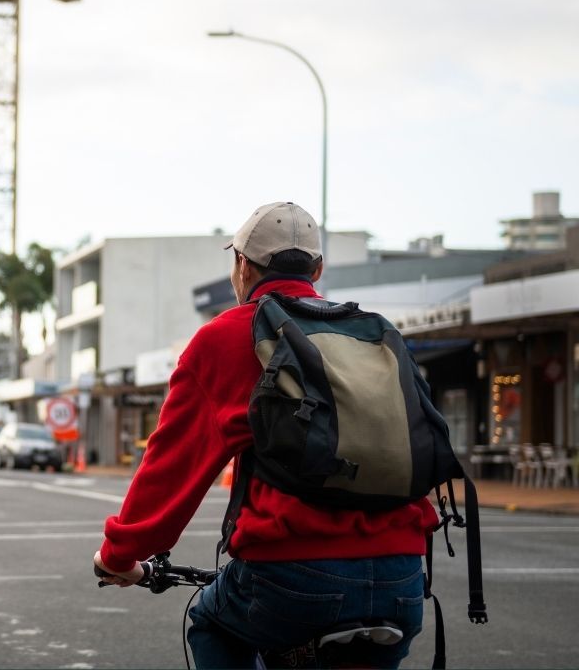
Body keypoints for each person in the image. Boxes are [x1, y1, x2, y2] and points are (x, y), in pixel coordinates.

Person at [92, 201, 438, 669]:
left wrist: (119, 556)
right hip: (403, 576)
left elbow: (169, 471)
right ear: (318, 267)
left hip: (293, 579)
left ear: (241, 266)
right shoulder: (375, 337)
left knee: (211, 622)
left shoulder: (225, 338)